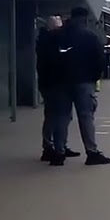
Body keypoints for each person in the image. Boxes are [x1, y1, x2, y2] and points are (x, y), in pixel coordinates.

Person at [51, 7, 110, 166]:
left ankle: (58, 152)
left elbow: (49, 59)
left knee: (61, 117)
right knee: (86, 117)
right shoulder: (90, 36)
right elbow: (100, 59)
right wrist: (94, 77)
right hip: (84, 81)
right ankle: (91, 152)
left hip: (61, 82)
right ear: (85, 18)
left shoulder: (58, 35)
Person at [35, 15, 79, 161]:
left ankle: (53, 146)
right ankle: (54, 147)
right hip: (55, 83)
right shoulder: (52, 42)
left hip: (48, 82)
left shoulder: (43, 40)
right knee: (59, 115)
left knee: (53, 115)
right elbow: (60, 60)